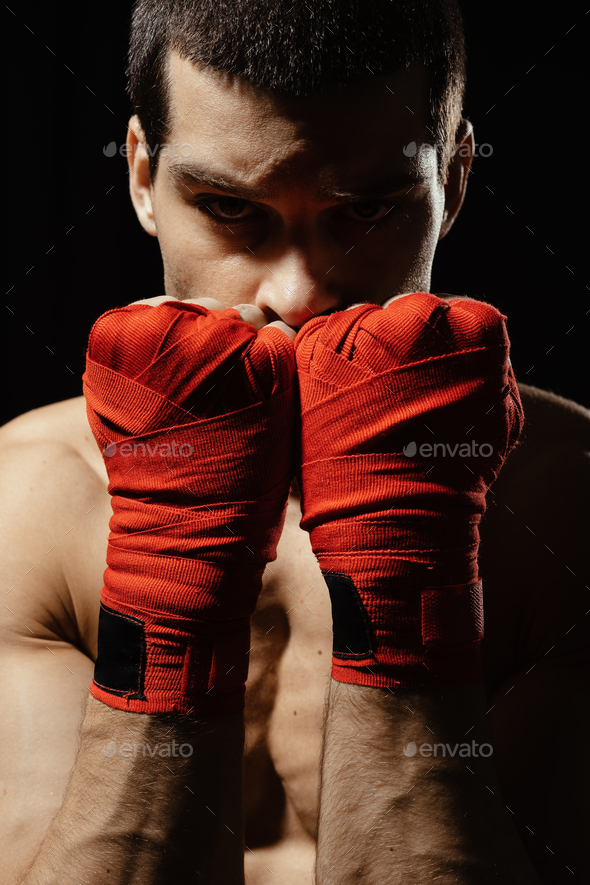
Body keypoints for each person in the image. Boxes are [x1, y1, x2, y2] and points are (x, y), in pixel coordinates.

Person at [1, 1, 588, 883]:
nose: (299, 292)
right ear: (140, 179)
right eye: (231, 208)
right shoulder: (27, 506)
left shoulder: (568, 501)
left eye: (369, 210)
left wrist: (408, 568)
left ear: (455, 180)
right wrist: (168, 563)